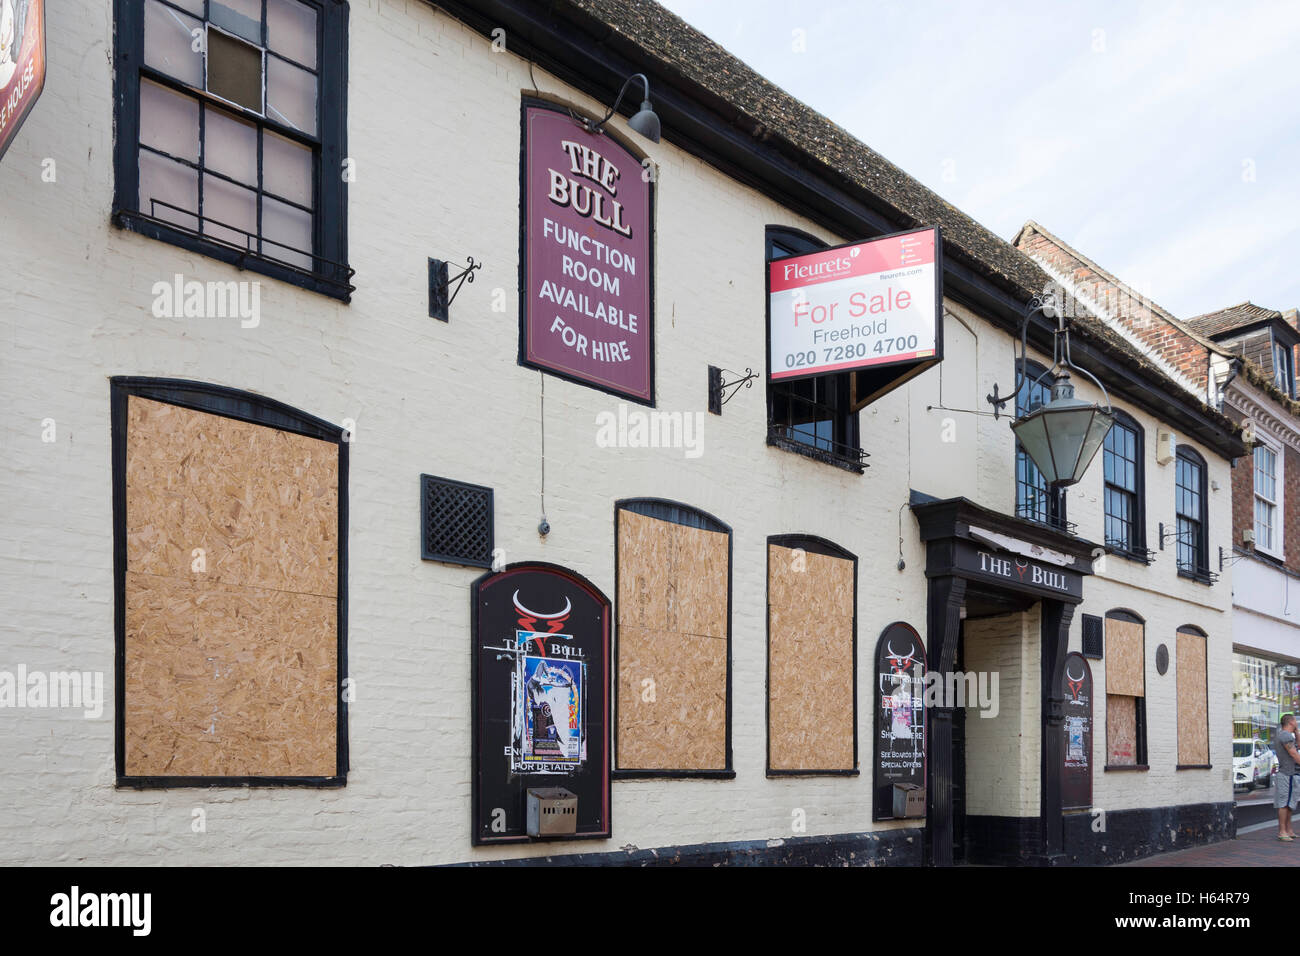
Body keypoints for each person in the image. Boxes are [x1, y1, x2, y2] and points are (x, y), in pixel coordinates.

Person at [1274, 714, 1300, 840]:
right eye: (1295, 720)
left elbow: (1298, 748)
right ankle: (1282, 832)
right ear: (1290, 722)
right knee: (1284, 804)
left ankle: (1289, 830)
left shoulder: (1290, 736)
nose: (1297, 722)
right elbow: (1293, 753)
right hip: (1286, 774)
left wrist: (1297, 732)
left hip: (1291, 774)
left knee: (1290, 803)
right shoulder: (1285, 735)